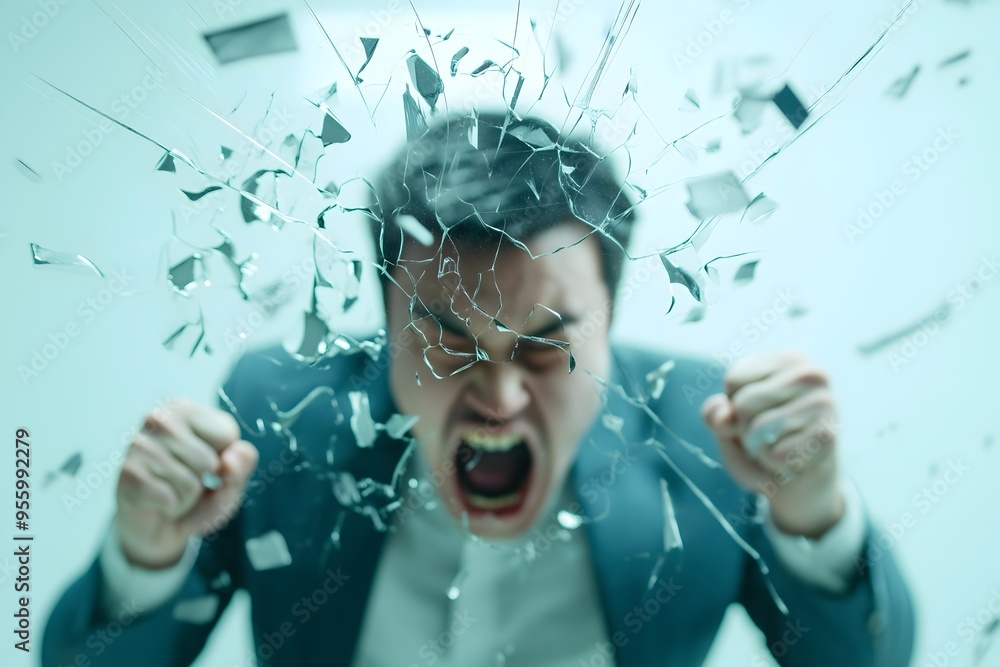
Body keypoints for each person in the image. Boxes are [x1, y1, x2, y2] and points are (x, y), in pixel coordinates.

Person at [43, 113, 914, 666]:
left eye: (544, 345)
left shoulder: (707, 427)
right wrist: (146, 554)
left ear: (610, 319)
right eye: (446, 341)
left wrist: (814, 511)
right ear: (385, 318)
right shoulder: (280, 408)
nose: (498, 396)